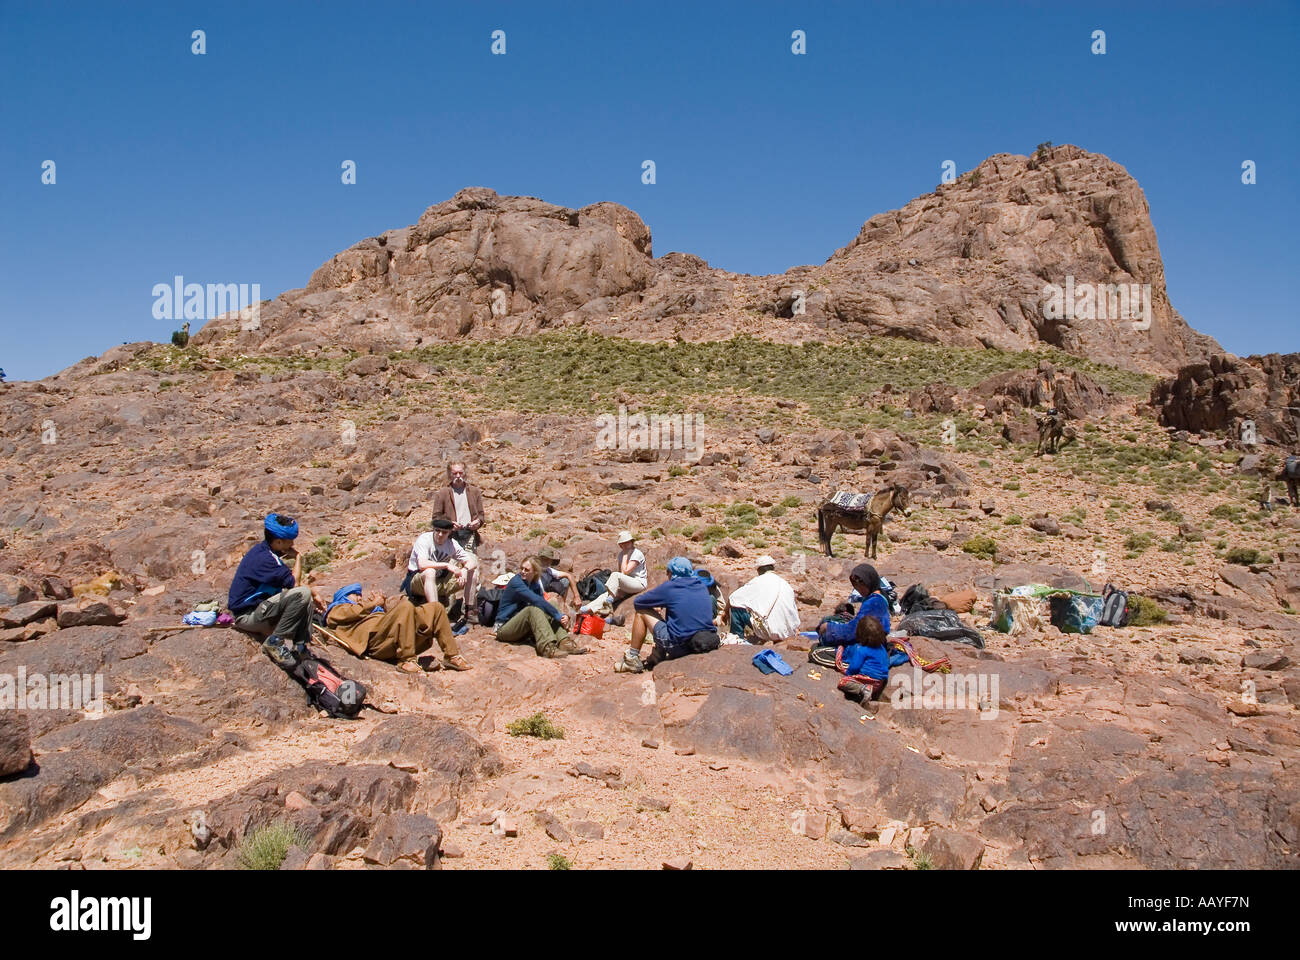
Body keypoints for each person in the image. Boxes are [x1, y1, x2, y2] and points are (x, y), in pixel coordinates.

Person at [228, 512, 322, 668]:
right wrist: (298, 557)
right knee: (302, 595)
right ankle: (274, 643)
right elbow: (296, 585)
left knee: (306, 598)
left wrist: (315, 594)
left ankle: (300, 646)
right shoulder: (265, 559)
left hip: (260, 610)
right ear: (278, 542)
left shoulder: (266, 552)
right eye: (290, 541)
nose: (292, 544)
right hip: (247, 616)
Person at [322, 583, 470, 673]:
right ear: (344, 596)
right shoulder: (336, 610)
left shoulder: (366, 610)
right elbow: (353, 612)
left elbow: (391, 621)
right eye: (355, 595)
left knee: (436, 608)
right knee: (405, 606)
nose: (360, 598)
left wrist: (382, 606)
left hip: (391, 637)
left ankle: (451, 656)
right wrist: (373, 604)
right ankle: (406, 660)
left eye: (360, 595)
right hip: (375, 644)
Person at [615, 556, 717, 674]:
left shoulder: (671, 587)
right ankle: (658, 654)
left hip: (680, 647)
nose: (667, 575)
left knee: (642, 613)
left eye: (667, 572)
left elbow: (638, 602)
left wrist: (657, 604)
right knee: (673, 622)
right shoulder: (701, 586)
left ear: (671, 572)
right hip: (703, 643)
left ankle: (632, 658)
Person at [494, 557, 588, 658]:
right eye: (522, 568)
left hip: (523, 628)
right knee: (533, 609)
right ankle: (547, 648)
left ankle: (564, 642)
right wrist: (558, 615)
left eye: (526, 570)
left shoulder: (534, 584)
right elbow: (536, 600)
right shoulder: (516, 582)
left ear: (535, 572)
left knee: (552, 603)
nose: (522, 572)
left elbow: (542, 604)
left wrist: (561, 616)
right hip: (504, 628)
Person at [402, 516, 479, 630]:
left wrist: (464, 570)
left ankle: (468, 613)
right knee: (430, 571)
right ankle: (436, 616)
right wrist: (447, 565)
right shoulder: (425, 539)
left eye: (444, 532)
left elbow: (472, 561)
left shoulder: (451, 544)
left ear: (449, 533)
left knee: (472, 573)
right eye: (437, 531)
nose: (440, 534)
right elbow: (422, 564)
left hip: (440, 582)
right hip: (418, 581)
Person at [724, 555, 801, 643]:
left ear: (759, 570)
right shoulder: (785, 584)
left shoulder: (757, 581)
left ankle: (736, 639)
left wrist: (724, 612)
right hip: (788, 633)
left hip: (769, 631)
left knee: (736, 608)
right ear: (773, 568)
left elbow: (733, 598)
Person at [818, 563, 891, 646]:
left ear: (869, 582)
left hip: (870, 646)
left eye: (861, 586)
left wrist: (829, 627)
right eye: (856, 586)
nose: (859, 589)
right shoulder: (878, 598)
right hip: (875, 643)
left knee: (817, 651)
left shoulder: (873, 603)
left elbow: (853, 632)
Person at [582, 531, 648, 619]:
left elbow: (625, 572)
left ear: (632, 542)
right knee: (605, 595)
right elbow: (622, 574)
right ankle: (587, 609)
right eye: (623, 543)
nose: (625, 545)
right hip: (627, 583)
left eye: (627, 542)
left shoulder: (637, 554)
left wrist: (625, 555)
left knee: (615, 576)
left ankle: (608, 603)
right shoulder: (621, 554)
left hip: (638, 583)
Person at [431, 461, 485, 552]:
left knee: (470, 563)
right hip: (450, 536)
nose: (458, 476)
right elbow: (436, 518)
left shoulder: (475, 492)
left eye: (461, 473)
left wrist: (478, 522)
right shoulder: (442, 493)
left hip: (470, 535)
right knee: (451, 564)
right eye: (455, 473)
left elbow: (481, 514)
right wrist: (449, 524)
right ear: (449, 475)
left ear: (465, 473)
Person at [536, 545, 580, 611]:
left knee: (565, 580)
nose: (546, 562)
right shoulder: (534, 571)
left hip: (551, 597)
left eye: (548, 560)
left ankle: (562, 604)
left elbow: (569, 576)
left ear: (551, 561)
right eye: (543, 559)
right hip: (540, 599)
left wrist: (577, 596)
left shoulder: (549, 570)